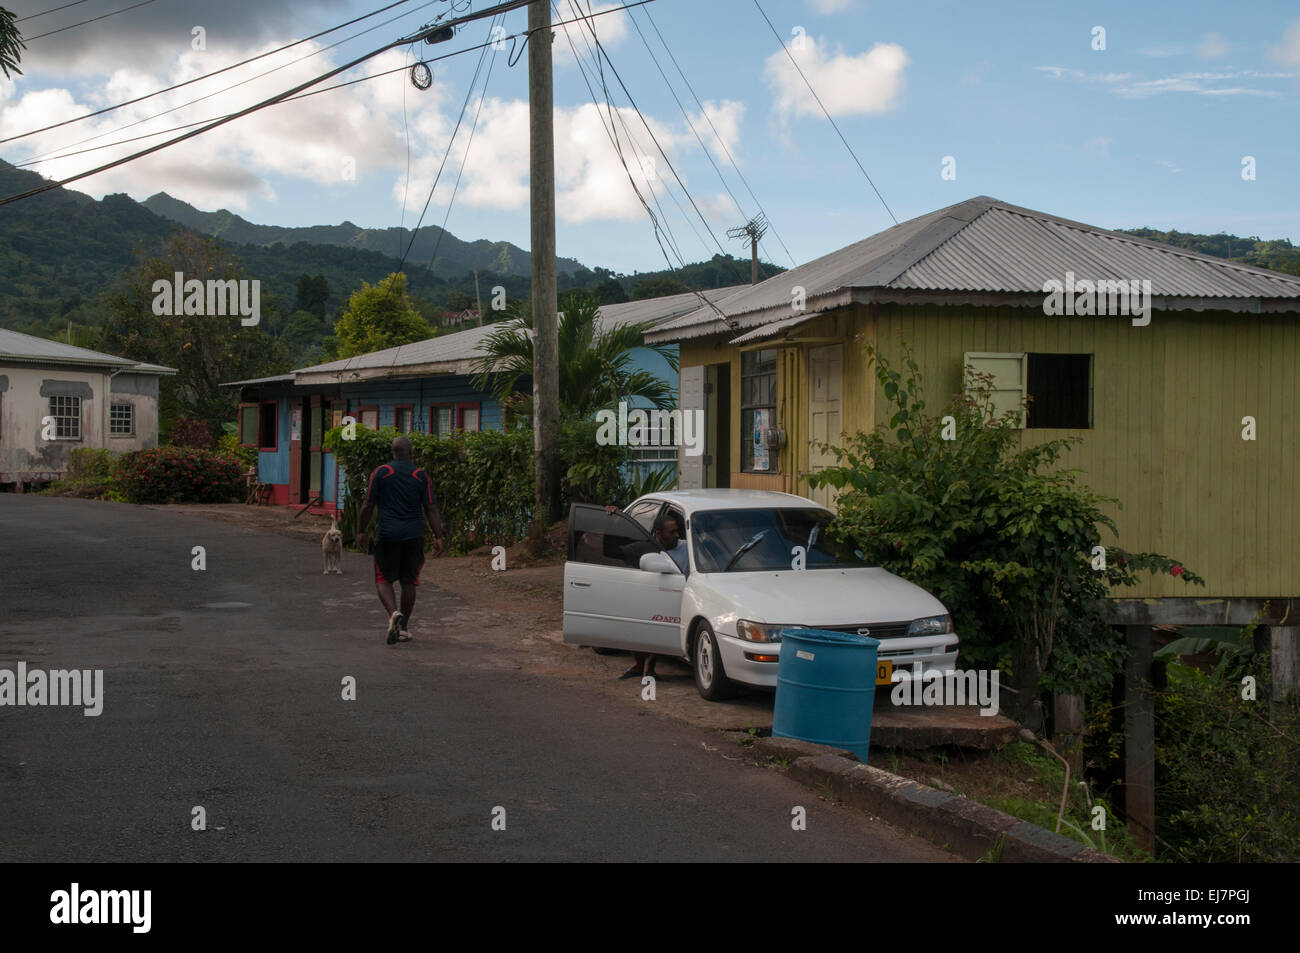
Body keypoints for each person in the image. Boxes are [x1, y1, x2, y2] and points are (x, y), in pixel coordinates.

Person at [356, 436, 444, 645]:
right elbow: (430, 508)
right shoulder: (420, 476)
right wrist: (439, 536)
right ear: (411, 454)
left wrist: (360, 530)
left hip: (387, 534)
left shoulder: (381, 473)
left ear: (392, 453)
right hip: (413, 536)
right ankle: (403, 628)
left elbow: (368, 504)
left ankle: (393, 613)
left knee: (383, 579)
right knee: (409, 581)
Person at [604, 506, 688, 679]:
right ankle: (640, 665)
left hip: (677, 598)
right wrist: (613, 522)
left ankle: (649, 666)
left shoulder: (687, 548)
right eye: (671, 532)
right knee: (633, 625)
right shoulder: (642, 548)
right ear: (658, 533)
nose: (677, 535)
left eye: (677, 531)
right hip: (647, 597)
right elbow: (610, 551)